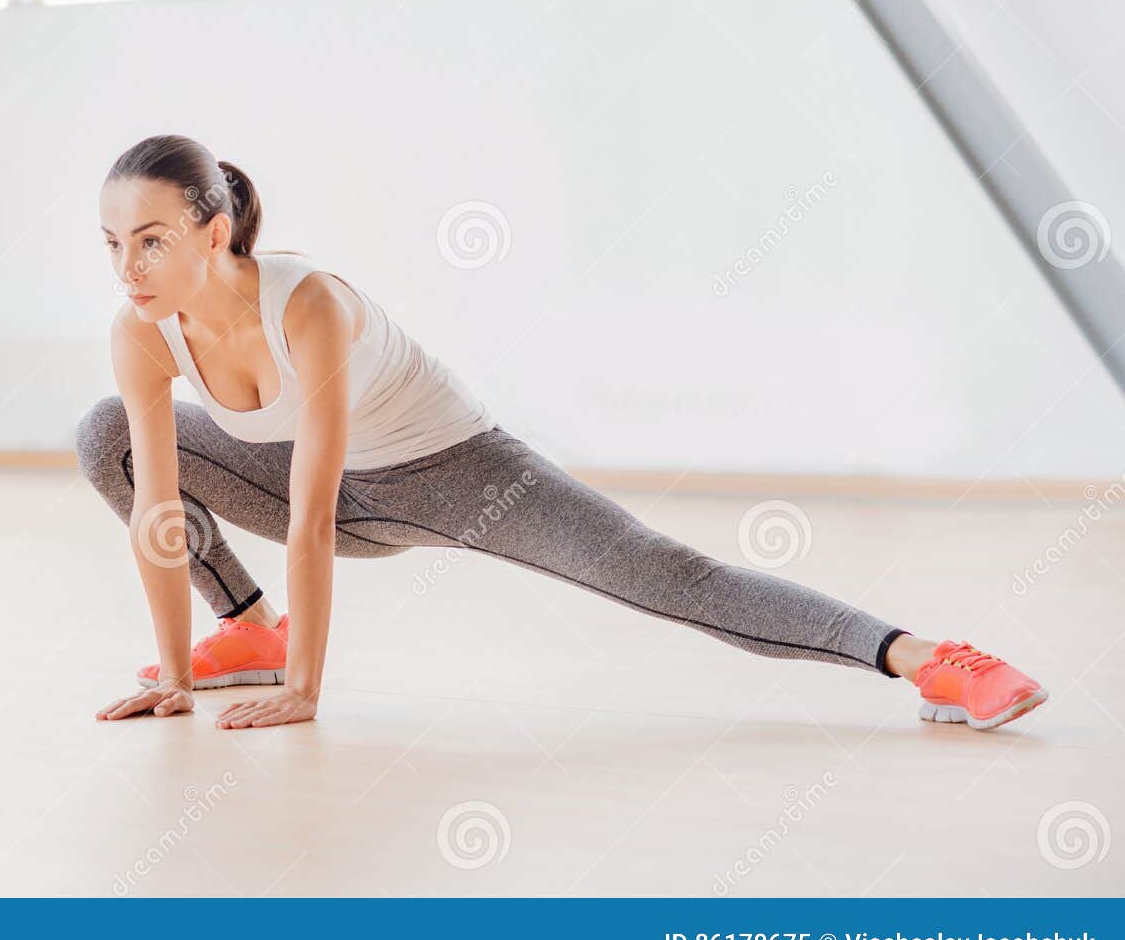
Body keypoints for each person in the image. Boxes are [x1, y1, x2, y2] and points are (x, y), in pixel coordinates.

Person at [79, 134, 1047, 733]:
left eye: (152, 239)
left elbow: (307, 519)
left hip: (454, 469)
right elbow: (158, 510)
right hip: (312, 484)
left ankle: (923, 657)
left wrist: (308, 692)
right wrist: (168, 678)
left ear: (213, 234)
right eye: (114, 243)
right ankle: (245, 631)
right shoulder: (141, 331)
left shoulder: (310, 306)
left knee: (662, 572)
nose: (129, 266)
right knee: (104, 433)